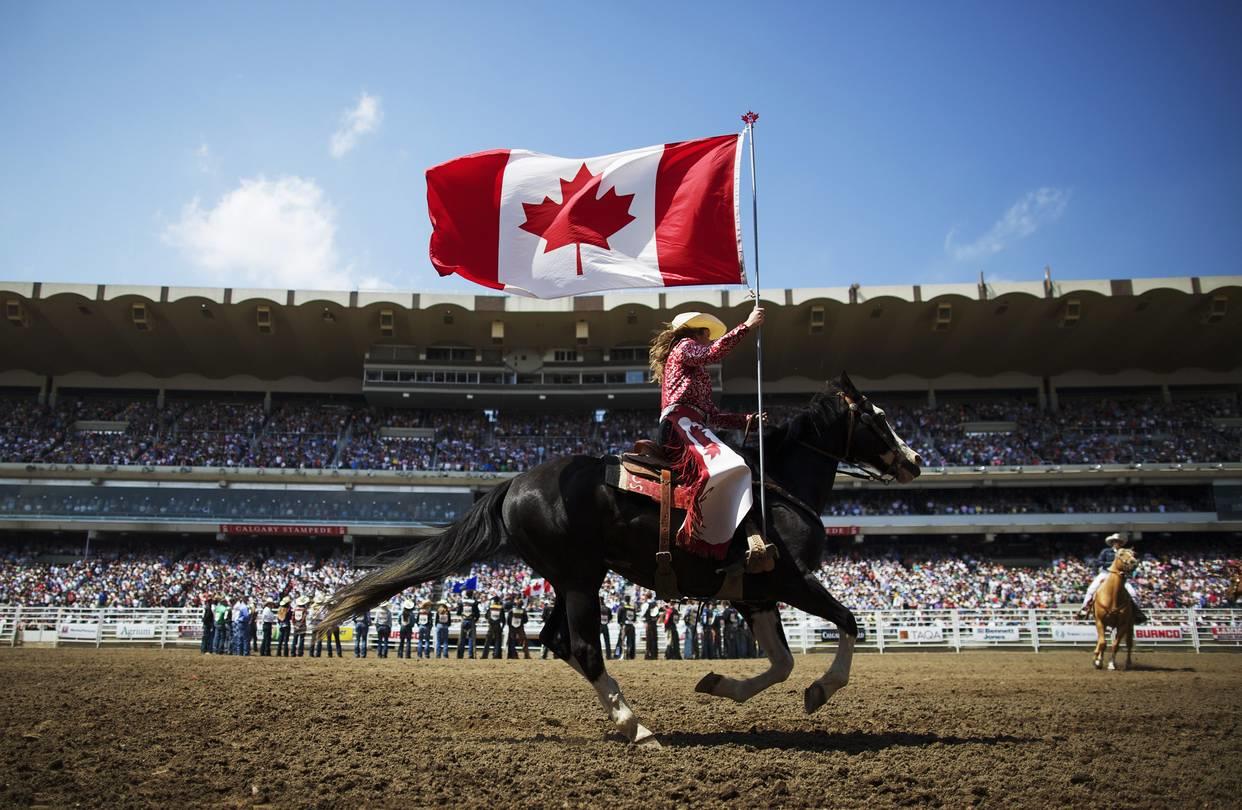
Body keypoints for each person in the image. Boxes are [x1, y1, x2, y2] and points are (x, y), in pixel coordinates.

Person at [648, 307, 774, 573]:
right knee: (728, 465)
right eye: (707, 335)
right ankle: (700, 537)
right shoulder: (685, 346)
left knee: (732, 464)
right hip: (680, 423)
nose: (709, 340)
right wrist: (747, 326)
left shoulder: (696, 370)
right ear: (699, 332)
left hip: (692, 424)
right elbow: (713, 352)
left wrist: (746, 420)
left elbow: (712, 416)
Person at [1078, 533, 1148, 623]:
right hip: (1106, 573)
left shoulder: (1125, 553)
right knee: (1091, 590)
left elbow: (1130, 564)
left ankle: (1137, 613)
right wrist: (1112, 564)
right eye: (1115, 541)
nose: (1117, 543)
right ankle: (1084, 609)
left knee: (1132, 593)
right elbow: (1099, 562)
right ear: (1112, 542)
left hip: (1120, 574)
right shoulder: (1106, 551)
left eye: (1118, 541)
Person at [457, 590, 480, 658]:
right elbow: (477, 613)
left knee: (462, 638)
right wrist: (476, 619)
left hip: (464, 620)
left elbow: (458, 612)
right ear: (472, 595)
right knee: (471, 638)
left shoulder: (462, 601)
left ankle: (460, 654)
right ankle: (471, 654)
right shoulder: (474, 602)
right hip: (471, 620)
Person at [481, 595, 505, 659]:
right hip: (498, 625)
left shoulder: (490, 607)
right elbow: (503, 619)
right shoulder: (501, 608)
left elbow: (486, 616)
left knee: (487, 641)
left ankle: (484, 655)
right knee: (497, 640)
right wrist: (502, 627)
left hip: (491, 625)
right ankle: (496, 655)